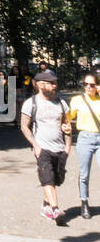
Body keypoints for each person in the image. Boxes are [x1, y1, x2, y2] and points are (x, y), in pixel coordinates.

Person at [20, 68, 72, 222]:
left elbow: (67, 125)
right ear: (41, 85)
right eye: (51, 83)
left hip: (60, 148)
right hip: (42, 148)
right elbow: (24, 126)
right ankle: (56, 209)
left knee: (56, 179)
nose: (55, 86)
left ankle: (46, 205)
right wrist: (36, 146)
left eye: (55, 83)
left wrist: (67, 147)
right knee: (47, 177)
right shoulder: (31, 103)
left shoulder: (62, 103)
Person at [68, 72, 100, 220]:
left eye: (92, 85)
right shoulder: (77, 100)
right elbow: (68, 117)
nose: (88, 87)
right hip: (85, 138)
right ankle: (84, 203)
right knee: (84, 173)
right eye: (85, 84)